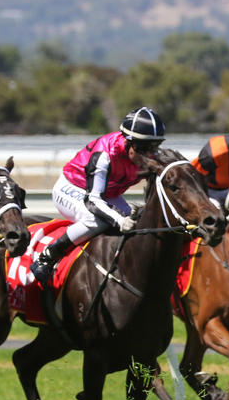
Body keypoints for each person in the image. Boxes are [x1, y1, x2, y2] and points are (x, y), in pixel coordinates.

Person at [29, 107, 166, 284]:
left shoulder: (150, 156)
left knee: (139, 225)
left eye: (154, 147)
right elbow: (93, 200)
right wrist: (119, 220)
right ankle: (48, 256)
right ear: (127, 141)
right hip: (74, 188)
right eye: (143, 148)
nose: (148, 155)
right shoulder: (105, 154)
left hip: (108, 193)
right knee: (97, 221)